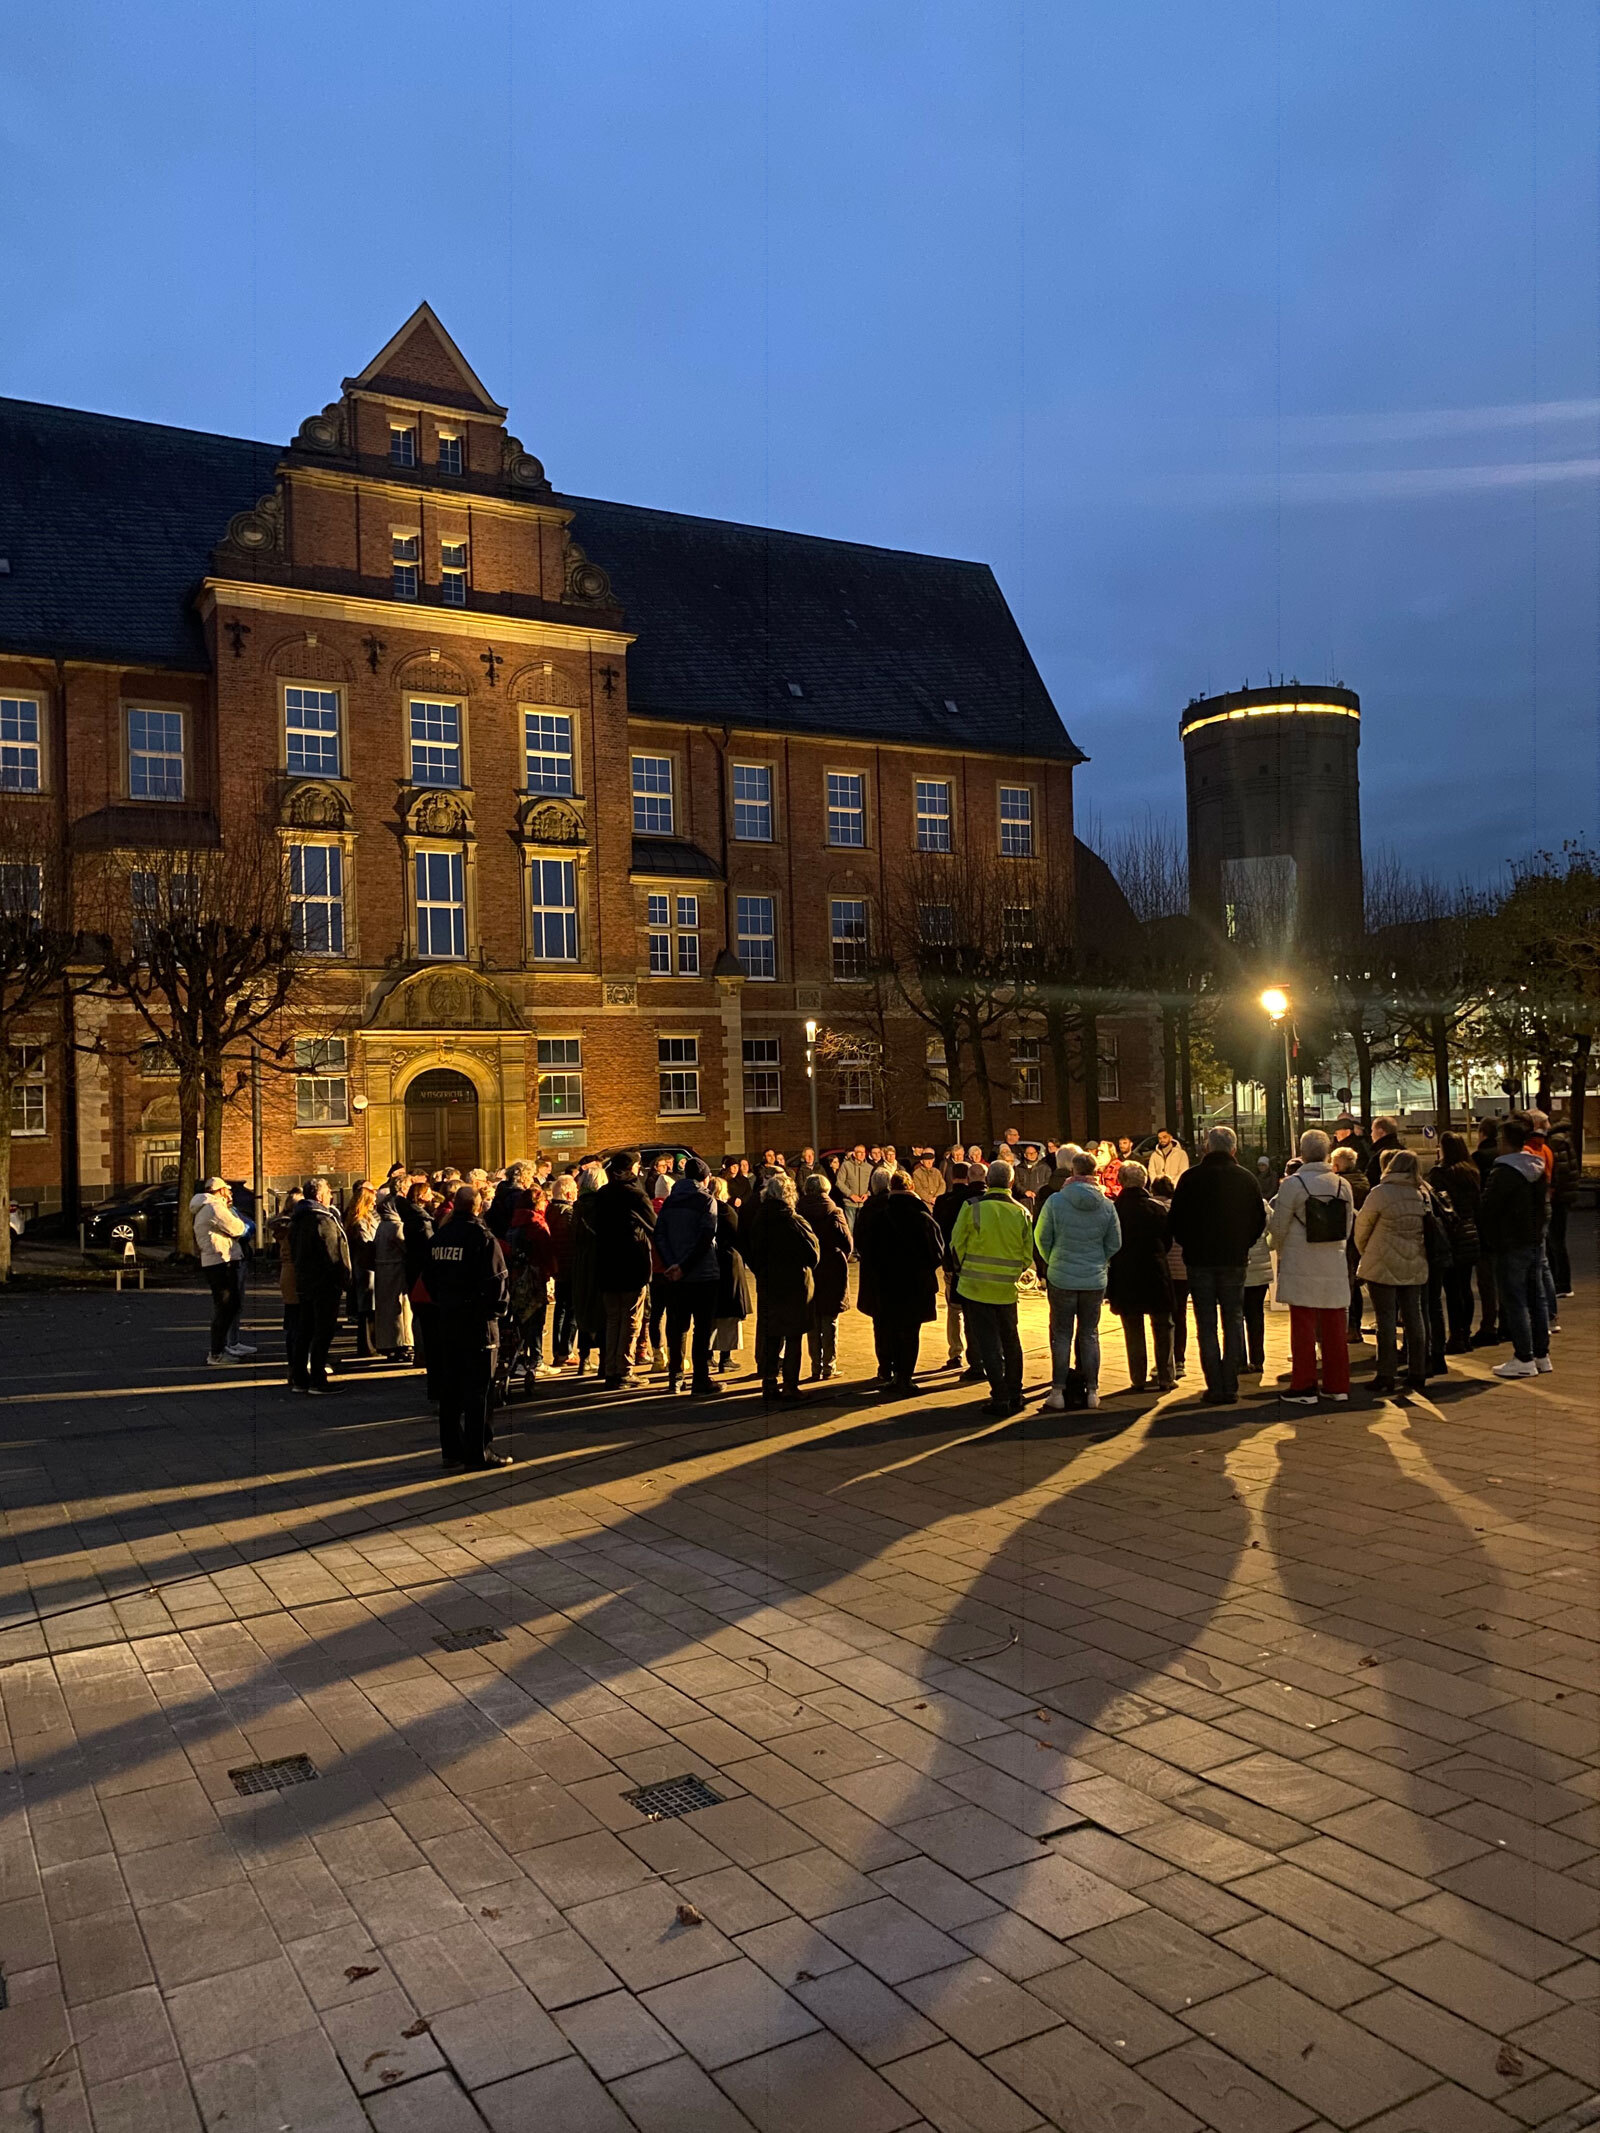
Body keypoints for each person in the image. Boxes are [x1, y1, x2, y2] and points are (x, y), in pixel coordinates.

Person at [1168, 1125, 1265, 1407]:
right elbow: (1259, 1220)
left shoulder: (1190, 1178)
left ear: (1206, 1148)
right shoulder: (1246, 1179)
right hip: (1234, 1259)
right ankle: (1231, 1384)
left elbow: (1176, 1220)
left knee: (1206, 1323)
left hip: (1199, 1260)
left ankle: (1215, 1385)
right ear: (1234, 1149)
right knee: (1233, 1320)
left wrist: (1189, 1244)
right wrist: (1242, 1244)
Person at [1268, 1130, 1357, 1405]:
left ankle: (1304, 1386)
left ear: (1303, 1154)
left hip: (1301, 1262)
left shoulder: (1293, 1184)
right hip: (1333, 1263)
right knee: (1334, 1327)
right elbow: (1347, 1226)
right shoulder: (1343, 1185)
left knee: (1303, 1327)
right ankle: (1337, 1385)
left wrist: (1277, 1247)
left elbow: (1278, 1227)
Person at [426, 1184, 511, 1468]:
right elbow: (497, 1279)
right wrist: (497, 1311)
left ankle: (451, 1448)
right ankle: (479, 1451)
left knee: (450, 1386)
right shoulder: (483, 1238)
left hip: (448, 1319)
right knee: (480, 1389)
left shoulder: (440, 1237)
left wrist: (444, 1302)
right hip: (478, 1322)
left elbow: (427, 1278)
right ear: (477, 1207)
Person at [1033, 1151, 1121, 1410]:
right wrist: (1099, 1259)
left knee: (1061, 1335)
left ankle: (1058, 1391)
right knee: (1090, 1334)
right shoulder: (1106, 1205)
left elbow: (1041, 1236)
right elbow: (1115, 1242)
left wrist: (1053, 1260)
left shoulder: (1056, 1202)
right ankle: (1093, 1391)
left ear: (1073, 1171)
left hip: (1061, 1275)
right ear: (1094, 1172)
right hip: (1094, 1278)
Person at [949, 1158, 1035, 1415]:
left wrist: (962, 1271)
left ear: (987, 1181)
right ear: (1011, 1182)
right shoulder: (1021, 1212)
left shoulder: (972, 1207)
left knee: (987, 1343)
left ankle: (999, 1395)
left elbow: (956, 1245)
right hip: (1006, 1289)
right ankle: (1015, 1391)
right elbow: (1026, 1256)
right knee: (1011, 1340)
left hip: (975, 1287)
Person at [855, 1171, 943, 1395]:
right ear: (911, 1186)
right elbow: (937, 1253)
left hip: (886, 1285)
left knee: (890, 1329)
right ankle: (906, 1377)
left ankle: (892, 1374)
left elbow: (866, 1250)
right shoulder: (923, 1216)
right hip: (916, 1286)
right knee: (911, 1332)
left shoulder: (879, 1217)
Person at [1479, 1118, 1552, 1381]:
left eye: (1500, 1139)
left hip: (1510, 1243)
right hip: (1534, 1241)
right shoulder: (1537, 1167)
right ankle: (1542, 1355)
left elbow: (1488, 1210)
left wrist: (1491, 1239)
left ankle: (1523, 1357)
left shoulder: (1503, 1172)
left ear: (1507, 1140)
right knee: (1537, 1299)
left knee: (1515, 1300)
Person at [1354, 1148, 1430, 1398]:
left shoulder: (1381, 1193)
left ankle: (1385, 1373)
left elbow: (1362, 1227)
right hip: (1415, 1260)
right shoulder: (1422, 1193)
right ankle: (1418, 1370)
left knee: (1385, 1320)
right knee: (1414, 1317)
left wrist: (1367, 1251)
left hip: (1382, 1261)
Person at [741, 1172, 819, 1403]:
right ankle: (790, 1385)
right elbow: (813, 1255)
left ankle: (769, 1383)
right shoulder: (794, 1221)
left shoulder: (759, 1219)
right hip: (795, 1285)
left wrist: (761, 1271)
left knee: (771, 1334)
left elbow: (751, 1251)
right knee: (794, 1336)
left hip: (769, 1283)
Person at [653, 1157, 722, 1397]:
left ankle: (676, 1378)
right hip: (703, 1274)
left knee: (677, 1327)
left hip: (674, 1276)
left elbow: (659, 1234)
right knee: (702, 1328)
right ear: (705, 1178)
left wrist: (672, 1263)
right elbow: (706, 1237)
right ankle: (700, 1379)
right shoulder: (707, 1200)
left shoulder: (670, 1202)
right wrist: (685, 1265)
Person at [1105, 1160, 1174, 1393]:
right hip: (1155, 1271)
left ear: (1121, 1181)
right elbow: (1167, 1241)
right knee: (1163, 1325)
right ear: (1144, 1181)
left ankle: (1138, 1378)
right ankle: (1165, 1375)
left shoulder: (1114, 1210)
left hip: (1126, 1274)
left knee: (1133, 1327)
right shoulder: (1156, 1208)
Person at [590, 1153, 657, 1388]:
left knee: (612, 1319)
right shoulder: (636, 1194)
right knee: (631, 1319)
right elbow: (654, 1225)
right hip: (632, 1263)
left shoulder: (603, 1194)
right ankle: (625, 1370)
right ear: (630, 1169)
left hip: (607, 1263)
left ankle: (610, 1369)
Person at [289, 1178, 351, 1394]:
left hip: (305, 1281)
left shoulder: (298, 1219)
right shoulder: (323, 1220)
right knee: (323, 1330)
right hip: (324, 1283)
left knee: (305, 1329)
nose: (331, 1195)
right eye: (328, 1191)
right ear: (319, 1195)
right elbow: (333, 1254)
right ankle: (318, 1378)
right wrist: (343, 1279)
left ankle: (299, 1377)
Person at [1428, 1133, 1482, 1352]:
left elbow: (1436, 1205)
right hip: (1470, 1232)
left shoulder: (1440, 1174)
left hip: (1451, 1235)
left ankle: (1456, 1337)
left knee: (1452, 1289)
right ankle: (1465, 1333)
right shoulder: (1471, 1171)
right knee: (1465, 1286)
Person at [192, 1177, 253, 1365]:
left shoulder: (206, 1206)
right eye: (227, 1190)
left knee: (227, 1306)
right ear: (219, 1191)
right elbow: (238, 1228)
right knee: (225, 1307)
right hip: (220, 1261)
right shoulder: (214, 1207)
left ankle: (221, 1347)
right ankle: (216, 1352)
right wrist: (242, 1226)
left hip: (217, 1260)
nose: (230, 1193)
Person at [801, 1172, 852, 1379]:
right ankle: (829, 1366)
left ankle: (815, 1365)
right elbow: (847, 1242)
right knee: (830, 1319)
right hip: (832, 1269)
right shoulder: (835, 1212)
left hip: (810, 1270)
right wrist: (842, 1256)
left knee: (812, 1319)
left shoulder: (799, 1211)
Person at [931, 1161, 980, 1374]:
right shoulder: (973, 1202)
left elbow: (938, 1231)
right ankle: (976, 1353)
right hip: (973, 1262)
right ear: (968, 1177)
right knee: (973, 1310)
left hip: (951, 1262)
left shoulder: (943, 1201)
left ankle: (955, 1352)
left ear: (951, 1178)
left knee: (954, 1309)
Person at [710, 1175, 754, 1373]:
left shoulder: (703, 1210)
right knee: (729, 1312)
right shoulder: (725, 1210)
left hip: (709, 1263)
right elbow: (739, 1235)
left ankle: (708, 1354)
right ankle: (725, 1357)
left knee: (711, 1312)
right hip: (728, 1263)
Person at [1329, 1147, 1371, 1341]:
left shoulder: (1341, 1185)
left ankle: (1350, 1327)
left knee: (1349, 1285)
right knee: (1355, 1284)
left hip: (1347, 1238)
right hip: (1361, 1238)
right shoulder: (1363, 1180)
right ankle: (1356, 1326)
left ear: (1336, 1165)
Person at [1150, 1176, 1188, 1377]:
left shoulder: (1152, 1208)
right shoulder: (1181, 1207)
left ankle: (1164, 1362)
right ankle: (1180, 1360)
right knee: (1180, 1314)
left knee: (1162, 1318)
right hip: (1182, 1268)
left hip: (1162, 1269)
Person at [570, 1166, 606, 1378]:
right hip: (598, 1261)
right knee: (601, 1312)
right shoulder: (601, 1206)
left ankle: (583, 1360)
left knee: (583, 1309)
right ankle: (603, 1362)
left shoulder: (578, 1206)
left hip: (581, 1263)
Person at [373, 1189, 413, 1361]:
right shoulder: (397, 1226)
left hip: (382, 1270)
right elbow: (405, 1248)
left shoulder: (382, 1225)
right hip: (396, 1269)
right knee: (400, 1308)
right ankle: (401, 1342)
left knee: (386, 1309)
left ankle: (387, 1342)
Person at [544, 1172, 579, 1365]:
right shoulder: (569, 1213)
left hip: (557, 1266)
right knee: (571, 1310)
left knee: (560, 1308)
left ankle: (558, 1349)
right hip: (570, 1266)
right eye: (574, 1190)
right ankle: (566, 1350)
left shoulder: (550, 1211)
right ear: (568, 1194)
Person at [343, 1181, 380, 1360]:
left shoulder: (367, 1219)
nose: (374, 1204)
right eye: (371, 1201)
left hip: (368, 1266)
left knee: (371, 1307)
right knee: (367, 1308)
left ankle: (372, 1343)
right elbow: (366, 1243)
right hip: (365, 1268)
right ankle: (367, 1345)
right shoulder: (359, 1222)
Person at [272, 1188, 303, 1381]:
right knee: (299, 1323)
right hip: (296, 1275)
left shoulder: (283, 1228)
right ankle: (298, 1364)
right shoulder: (295, 1228)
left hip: (287, 1275)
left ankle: (294, 1365)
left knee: (293, 1322)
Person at [1242, 1190, 1272, 1376]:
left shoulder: (1228, 1203)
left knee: (1235, 1316)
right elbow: (1273, 1227)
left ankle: (1239, 1358)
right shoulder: (1262, 1205)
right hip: (1260, 1266)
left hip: (1237, 1266)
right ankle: (1257, 1359)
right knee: (1256, 1315)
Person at [836, 1143, 872, 1231]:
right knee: (850, 1229)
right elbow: (839, 1182)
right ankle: (850, 1245)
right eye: (859, 1152)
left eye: (864, 1152)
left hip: (864, 1204)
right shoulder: (846, 1165)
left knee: (862, 1230)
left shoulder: (869, 1167)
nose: (862, 1154)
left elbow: (872, 1185)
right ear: (854, 1154)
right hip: (850, 1203)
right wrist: (851, 1195)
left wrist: (867, 1194)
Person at [1365, 1115, 1403, 1187]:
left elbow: (1371, 1180)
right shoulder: (1404, 1152)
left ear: (1381, 1132)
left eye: (1372, 1130)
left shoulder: (1379, 1155)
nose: (1371, 1134)